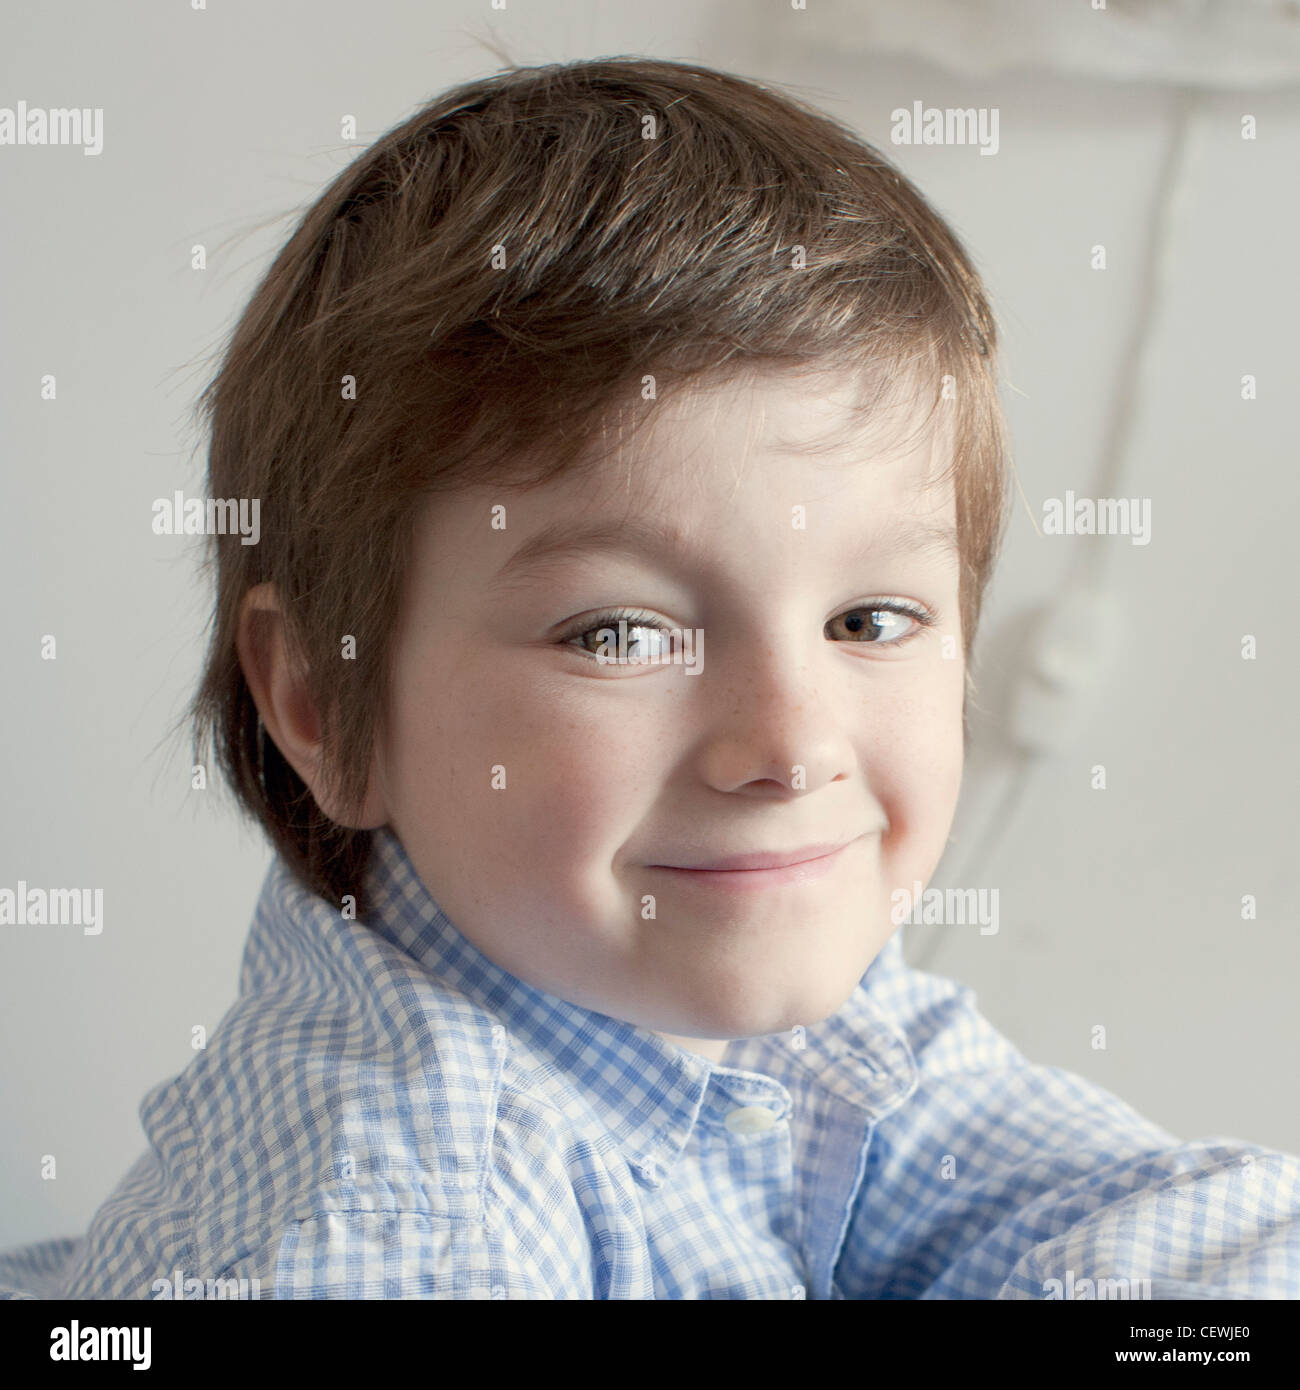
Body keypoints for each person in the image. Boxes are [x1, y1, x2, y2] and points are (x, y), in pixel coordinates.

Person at [3, 56, 1295, 1300]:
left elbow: (1164, 1222)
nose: (791, 745)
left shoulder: (742, 975)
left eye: (871, 617)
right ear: (325, 703)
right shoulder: (395, 1218)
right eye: (621, 635)